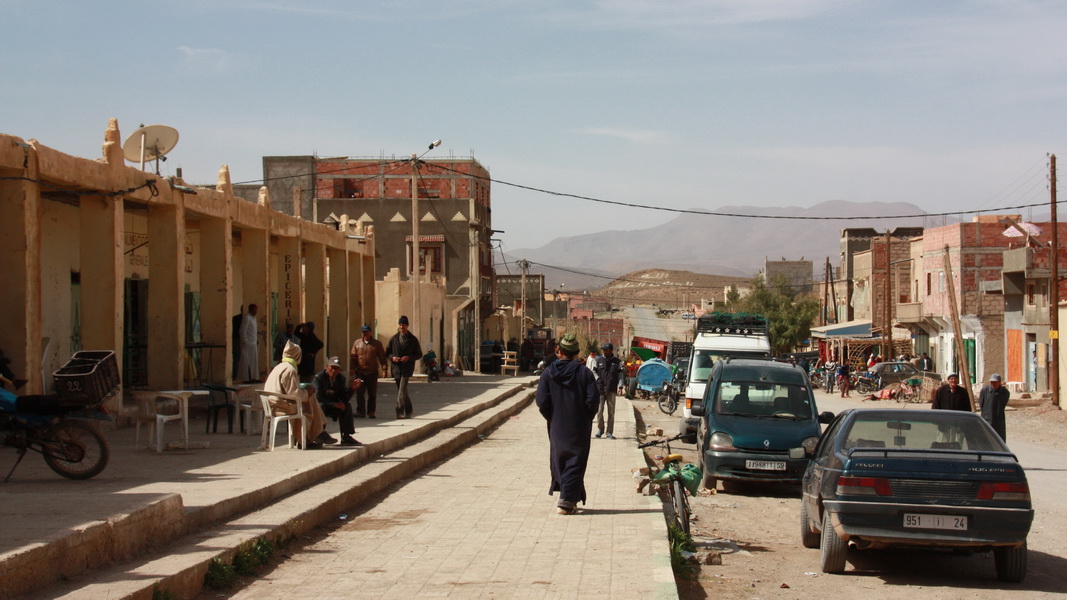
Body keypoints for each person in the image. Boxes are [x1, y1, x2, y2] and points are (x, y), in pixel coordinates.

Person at [535, 333, 599, 515]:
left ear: (560, 352)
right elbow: (593, 400)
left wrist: (552, 417)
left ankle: (571, 497)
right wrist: (585, 417)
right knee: (576, 461)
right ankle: (566, 500)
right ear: (576, 353)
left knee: (560, 458)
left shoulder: (548, 373)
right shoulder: (585, 374)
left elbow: (541, 401)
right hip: (579, 425)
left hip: (557, 425)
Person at [263, 341, 334, 449]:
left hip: (273, 403)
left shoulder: (279, 367)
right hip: (280, 406)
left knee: (310, 399)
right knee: (308, 403)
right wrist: (307, 393)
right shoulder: (290, 369)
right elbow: (293, 394)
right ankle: (309, 437)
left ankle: (317, 432)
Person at [312, 356, 362, 446]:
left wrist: (352, 389)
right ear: (327, 367)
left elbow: (344, 397)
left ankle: (346, 436)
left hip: (332, 405)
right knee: (321, 406)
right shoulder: (319, 378)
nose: (334, 371)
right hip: (322, 405)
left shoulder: (340, 379)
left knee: (347, 406)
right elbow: (318, 398)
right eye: (332, 368)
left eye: (337, 368)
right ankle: (319, 434)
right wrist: (333, 404)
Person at [387, 315, 421, 419]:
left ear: (407, 326)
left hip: (407, 367)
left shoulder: (413, 339)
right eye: (401, 325)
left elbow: (419, 354)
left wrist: (409, 358)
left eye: (404, 325)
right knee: (401, 389)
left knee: (402, 388)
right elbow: (388, 352)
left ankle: (399, 410)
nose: (402, 327)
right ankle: (409, 408)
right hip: (396, 367)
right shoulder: (394, 339)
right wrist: (393, 358)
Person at [350, 324, 387, 418]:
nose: (365, 334)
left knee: (372, 393)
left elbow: (382, 357)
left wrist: (384, 369)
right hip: (360, 372)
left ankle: (371, 411)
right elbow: (353, 357)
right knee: (360, 392)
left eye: (367, 332)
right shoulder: (357, 343)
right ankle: (360, 411)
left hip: (372, 372)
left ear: (371, 332)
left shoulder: (377, 344)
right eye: (363, 332)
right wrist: (352, 368)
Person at [593, 342, 621, 439]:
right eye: (603, 350)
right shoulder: (598, 360)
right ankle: (600, 429)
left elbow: (620, 375)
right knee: (599, 410)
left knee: (611, 412)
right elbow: (594, 371)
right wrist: (597, 379)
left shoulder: (617, 362)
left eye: (606, 350)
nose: (604, 351)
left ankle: (609, 432)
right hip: (600, 389)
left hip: (611, 389)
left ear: (611, 350)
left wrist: (620, 386)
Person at [978, 373, 1011, 440]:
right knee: (987, 438)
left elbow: (1003, 404)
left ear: (999, 382)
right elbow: (981, 403)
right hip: (987, 418)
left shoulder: (1004, 392)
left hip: (999, 419)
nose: (993, 384)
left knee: (999, 439)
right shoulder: (985, 390)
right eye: (992, 382)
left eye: (995, 382)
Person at [236, 304, 259, 383]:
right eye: (253, 309)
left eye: (256, 309)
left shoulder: (254, 318)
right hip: (248, 343)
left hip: (253, 342)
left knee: (254, 362)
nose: (255, 311)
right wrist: (245, 341)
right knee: (246, 361)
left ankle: (253, 377)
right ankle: (245, 378)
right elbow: (242, 331)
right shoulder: (247, 318)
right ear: (250, 309)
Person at [231, 306, 243, 379]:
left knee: (236, 358)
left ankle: (235, 375)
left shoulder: (234, 318)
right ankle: (237, 376)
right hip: (239, 340)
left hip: (235, 339)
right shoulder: (244, 319)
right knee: (238, 358)